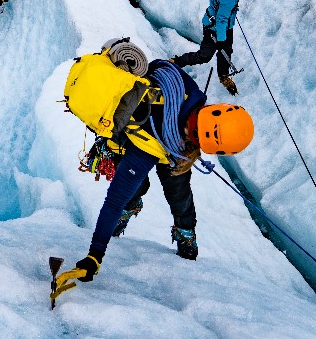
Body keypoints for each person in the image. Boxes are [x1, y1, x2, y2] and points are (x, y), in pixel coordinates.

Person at [62, 60, 253, 285]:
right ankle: (174, 227)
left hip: (165, 145)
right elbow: (114, 200)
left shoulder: (187, 91)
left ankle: (181, 227)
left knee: (175, 189)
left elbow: (160, 65)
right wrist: (95, 254)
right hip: (144, 142)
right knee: (158, 189)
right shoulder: (146, 149)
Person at [171, 0, 255, 95]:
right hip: (217, 28)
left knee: (225, 52)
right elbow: (222, 18)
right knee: (206, 55)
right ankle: (177, 62)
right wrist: (221, 39)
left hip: (215, 24)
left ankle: (223, 76)